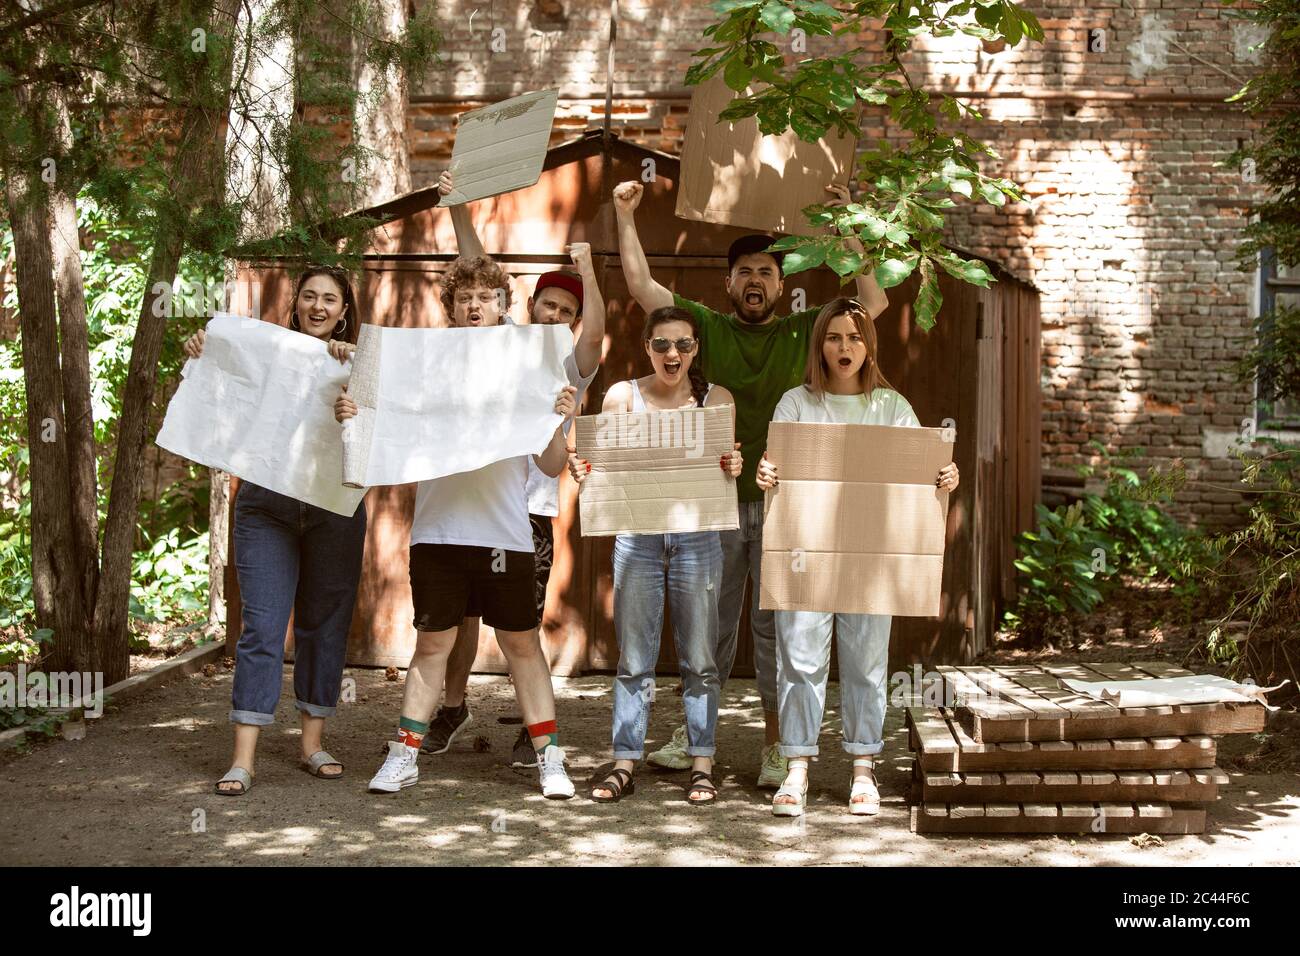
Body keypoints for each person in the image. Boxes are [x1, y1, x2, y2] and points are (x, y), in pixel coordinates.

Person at [613, 178, 889, 788]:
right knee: (710, 624)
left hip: (792, 509)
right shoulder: (706, 328)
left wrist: (848, 222)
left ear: (782, 284)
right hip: (717, 502)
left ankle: (773, 745)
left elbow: (873, 301)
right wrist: (624, 216)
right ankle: (695, 733)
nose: (756, 281)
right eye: (745, 272)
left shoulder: (807, 331)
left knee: (776, 629)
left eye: (767, 271)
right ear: (730, 283)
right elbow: (641, 289)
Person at [335, 252, 580, 799]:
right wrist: (357, 417)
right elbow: (380, 423)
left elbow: (549, 465)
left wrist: (559, 418)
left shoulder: (528, 365)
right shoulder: (424, 364)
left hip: (505, 534)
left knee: (522, 646)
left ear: (501, 307)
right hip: (439, 532)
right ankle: (404, 755)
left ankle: (551, 760)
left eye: (486, 297)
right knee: (432, 647)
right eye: (464, 297)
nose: (475, 305)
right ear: (450, 306)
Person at [416, 169, 606, 769]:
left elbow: (597, 337)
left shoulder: (565, 364)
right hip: (466, 505)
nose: (554, 315)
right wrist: (460, 210)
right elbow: (477, 275)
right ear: (526, 307)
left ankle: (537, 733)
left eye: (566, 309)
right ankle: (451, 706)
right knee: (455, 621)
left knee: (520, 628)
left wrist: (589, 272)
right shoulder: (506, 343)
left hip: (529, 512)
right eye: (547, 304)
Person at [755, 297, 960, 817]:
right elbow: (776, 465)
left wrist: (944, 477)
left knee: (867, 664)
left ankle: (863, 770)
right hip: (808, 553)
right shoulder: (795, 403)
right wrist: (766, 475)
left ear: (869, 346)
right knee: (800, 661)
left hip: (870, 558)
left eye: (854, 337)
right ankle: (797, 768)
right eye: (833, 337)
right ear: (819, 345)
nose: (844, 347)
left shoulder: (891, 408)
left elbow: (918, 476)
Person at [192, 266, 367, 796]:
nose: (318, 306)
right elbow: (226, 380)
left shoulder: (360, 364)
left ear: (342, 311)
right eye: (309, 297)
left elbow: (388, 430)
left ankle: (312, 745)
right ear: (296, 306)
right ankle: (243, 759)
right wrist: (205, 349)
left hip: (334, 508)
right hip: (266, 508)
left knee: (324, 623)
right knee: (262, 628)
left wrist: (356, 391)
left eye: (329, 299)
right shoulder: (266, 350)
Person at [569, 306, 741, 804]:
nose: (673, 354)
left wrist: (733, 463)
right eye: (662, 345)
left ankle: (702, 763)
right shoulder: (623, 396)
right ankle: (625, 762)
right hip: (639, 540)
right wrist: (585, 470)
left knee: (701, 658)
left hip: (698, 540)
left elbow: (726, 467)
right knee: (634, 659)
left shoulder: (716, 398)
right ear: (647, 347)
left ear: (695, 350)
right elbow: (598, 461)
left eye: (683, 345)